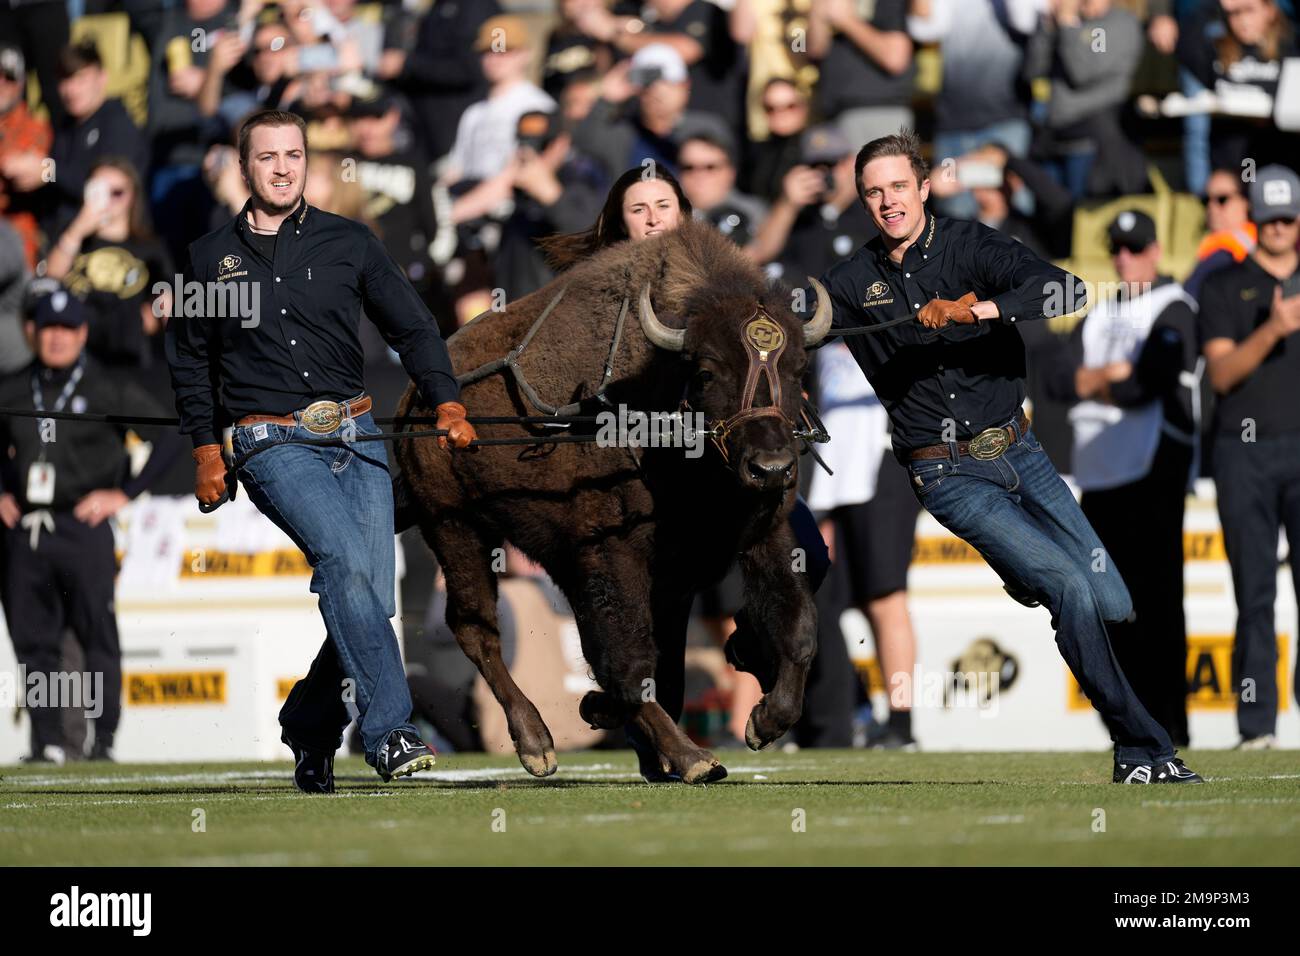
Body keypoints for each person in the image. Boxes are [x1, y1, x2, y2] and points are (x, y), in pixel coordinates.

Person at [799, 129, 1203, 784]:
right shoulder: (849, 281)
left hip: (1024, 451)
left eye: (899, 187)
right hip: (945, 471)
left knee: (1113, 601)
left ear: (925, 187)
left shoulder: (971, 243)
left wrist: (978, 310)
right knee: (1068, 587)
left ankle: (1023, 570)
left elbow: (1067, 292)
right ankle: (1142, 750)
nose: (887, 202)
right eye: (873, 192)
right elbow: (785, 311)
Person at [164, 110, 477, 791]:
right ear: (243, 167)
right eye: (268, 156)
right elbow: (189, 363)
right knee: (342, 563)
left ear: (308, 163)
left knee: (369, 595)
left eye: (294, 155)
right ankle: (390, 731)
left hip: (357, 432)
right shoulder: (204, 258)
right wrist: (204, 450)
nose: (282, 167)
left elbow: (416, 326)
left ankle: (309, 723)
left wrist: (446, 398)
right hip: (270, 441)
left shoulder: (351, 242)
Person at [0, 287, 184, 763]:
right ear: (31, 331)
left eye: (67, 329)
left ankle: (103, 740)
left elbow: (167, 437)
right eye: (49, 328)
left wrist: (123, 493)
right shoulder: (14, 387)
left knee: (96, 633)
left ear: (83, 333)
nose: (57, 338)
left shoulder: (106, 386)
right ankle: (47, 742)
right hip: (28, 528)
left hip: (84, 526)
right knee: (33, 640)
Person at [1044, 210, 1202, 747]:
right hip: (1101, 472)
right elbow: (1059, 379)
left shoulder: (1174, 306)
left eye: (1135, 249)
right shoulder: (1100, 314)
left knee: (1158, 600)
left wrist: (1107, 382)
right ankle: (1128, 722)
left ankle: (1172, 723)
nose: (1124, 259)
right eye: (1117, 249)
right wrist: (1111, 376)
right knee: (1107, 602)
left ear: (1155, 252)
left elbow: (1149, 385)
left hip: (1151, 469)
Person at [1196, 164, 1300, 750]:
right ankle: (1256, 727)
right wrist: (1273, 331)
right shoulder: (1222, 284)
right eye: (1270, 216)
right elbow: (1223, 373)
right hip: (1245, 452)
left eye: (1289, 217)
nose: (1279, 227)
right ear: (1255, 218)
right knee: (1254, 594)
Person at [43, 158, 174, 369]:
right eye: (98, 190)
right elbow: (48, 280)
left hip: (127, 355)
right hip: (75, 351)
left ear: (133, 197)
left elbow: (166, 298)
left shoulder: (151, 247)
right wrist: (78, 228)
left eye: (117, 193)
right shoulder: (72, 237)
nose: (108, 201)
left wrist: (144, 321)